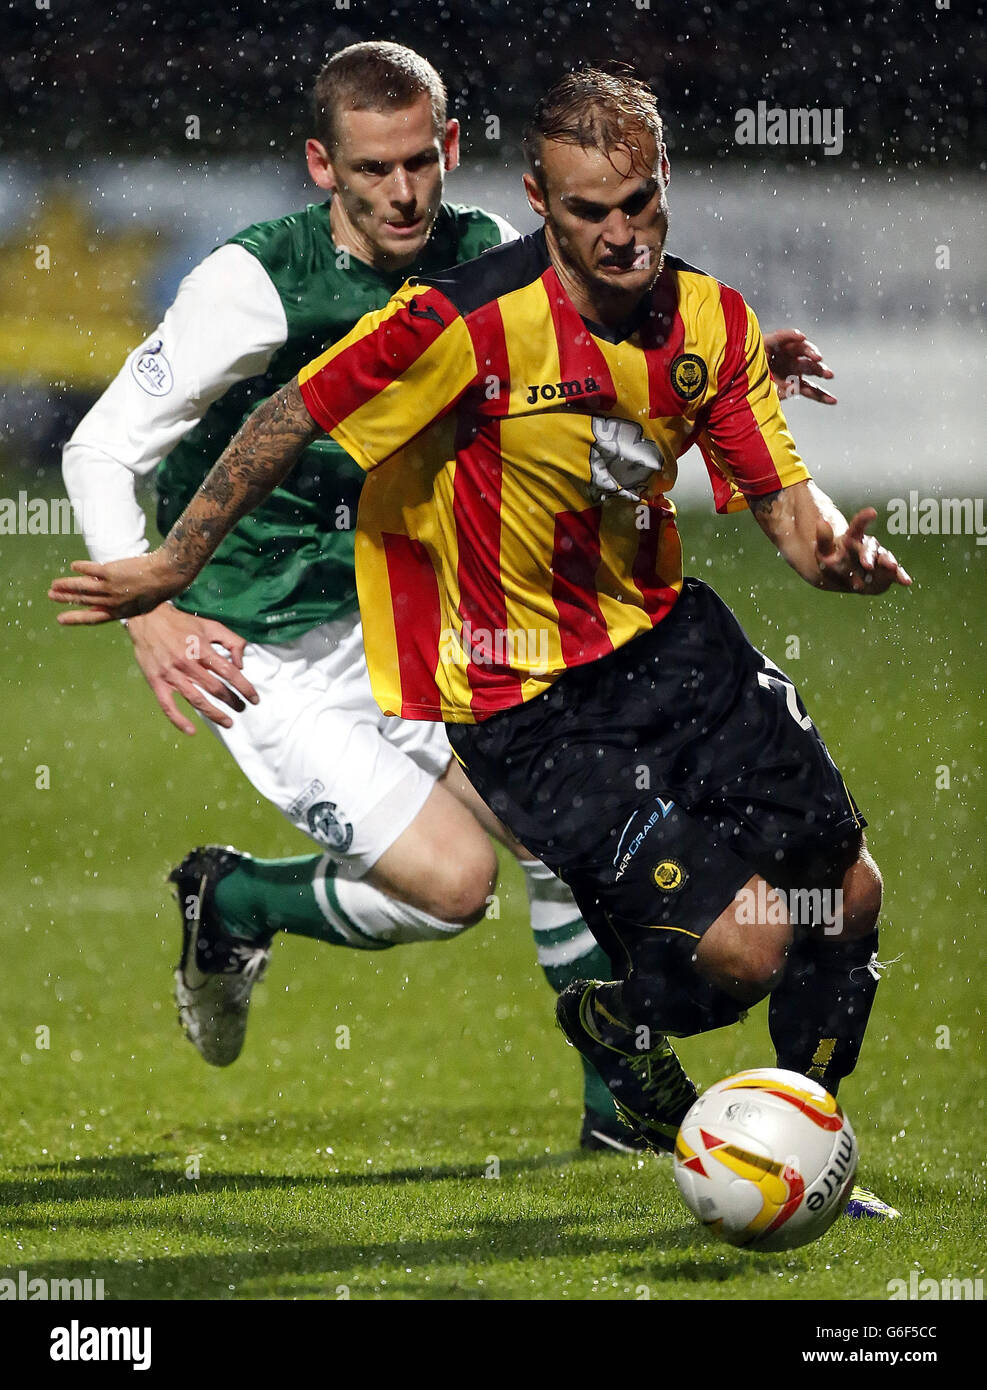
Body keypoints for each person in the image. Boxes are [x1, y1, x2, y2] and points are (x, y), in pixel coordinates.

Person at [51, 66, 889, 1204]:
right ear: (320, 168)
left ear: (453, 147)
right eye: (370, 170)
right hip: (264, 644)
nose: (401, 194)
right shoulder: (254, 286)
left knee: (572, 847)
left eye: (419, 163)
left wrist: (703, 377)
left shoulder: (493, 245)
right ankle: (236, 901)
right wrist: (153, 605)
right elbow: (104, 447)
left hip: (426, 622)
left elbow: (593, 357)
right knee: (450, 888)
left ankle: (621, 1113)